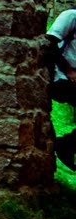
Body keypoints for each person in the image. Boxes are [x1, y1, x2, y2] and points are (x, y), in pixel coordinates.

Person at [49, 9, 76, 166]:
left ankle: (67, 144)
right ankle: (66, 145)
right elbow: (50, 42)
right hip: (61, 79)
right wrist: (69, 71)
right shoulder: (71, 16)